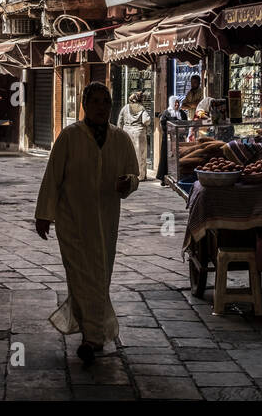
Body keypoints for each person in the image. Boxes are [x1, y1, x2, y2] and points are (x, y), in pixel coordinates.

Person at [34, 82, 139, 367]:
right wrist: (44, 213)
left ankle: (90, 330)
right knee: (81, 276)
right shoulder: (69, 137)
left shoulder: (121, 139)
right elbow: (52, 177)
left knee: (99, 277)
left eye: (106, 101)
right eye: (95, 101)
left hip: (106, 221)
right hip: (72, 221)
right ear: (84, 104)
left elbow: (134, 175)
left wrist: (127, 183)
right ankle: (93, 338)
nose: (101, 106)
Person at [116, 92, 153, 180]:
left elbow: (120, 121)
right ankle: (140, 176)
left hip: (127, 132)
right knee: (140, 154)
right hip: (138, 133)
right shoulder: (142, 108)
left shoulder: (125, 108)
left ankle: (127, 173)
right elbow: (146, 121)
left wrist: (120, 132)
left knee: (127, 154)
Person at [156, 96, 188, 185]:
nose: (177, 104)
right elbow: (164, 126)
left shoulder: (182, 113)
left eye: (178, 102)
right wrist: (172, 130)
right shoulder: (166, 113)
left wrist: (183, 131)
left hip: (179, 139)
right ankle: (164, 177)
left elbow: (186, 125)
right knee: (166, 157)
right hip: (168, 140)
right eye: (175, 102)